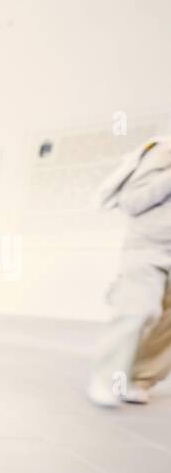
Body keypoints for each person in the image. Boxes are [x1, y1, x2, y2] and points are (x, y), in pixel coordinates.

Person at [88, 133, 171, 406]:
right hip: (148, 249)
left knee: (167, 325)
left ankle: (138, 379)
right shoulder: (162, 151)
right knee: (138, 309)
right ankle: (107, 379)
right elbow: (132, 201)